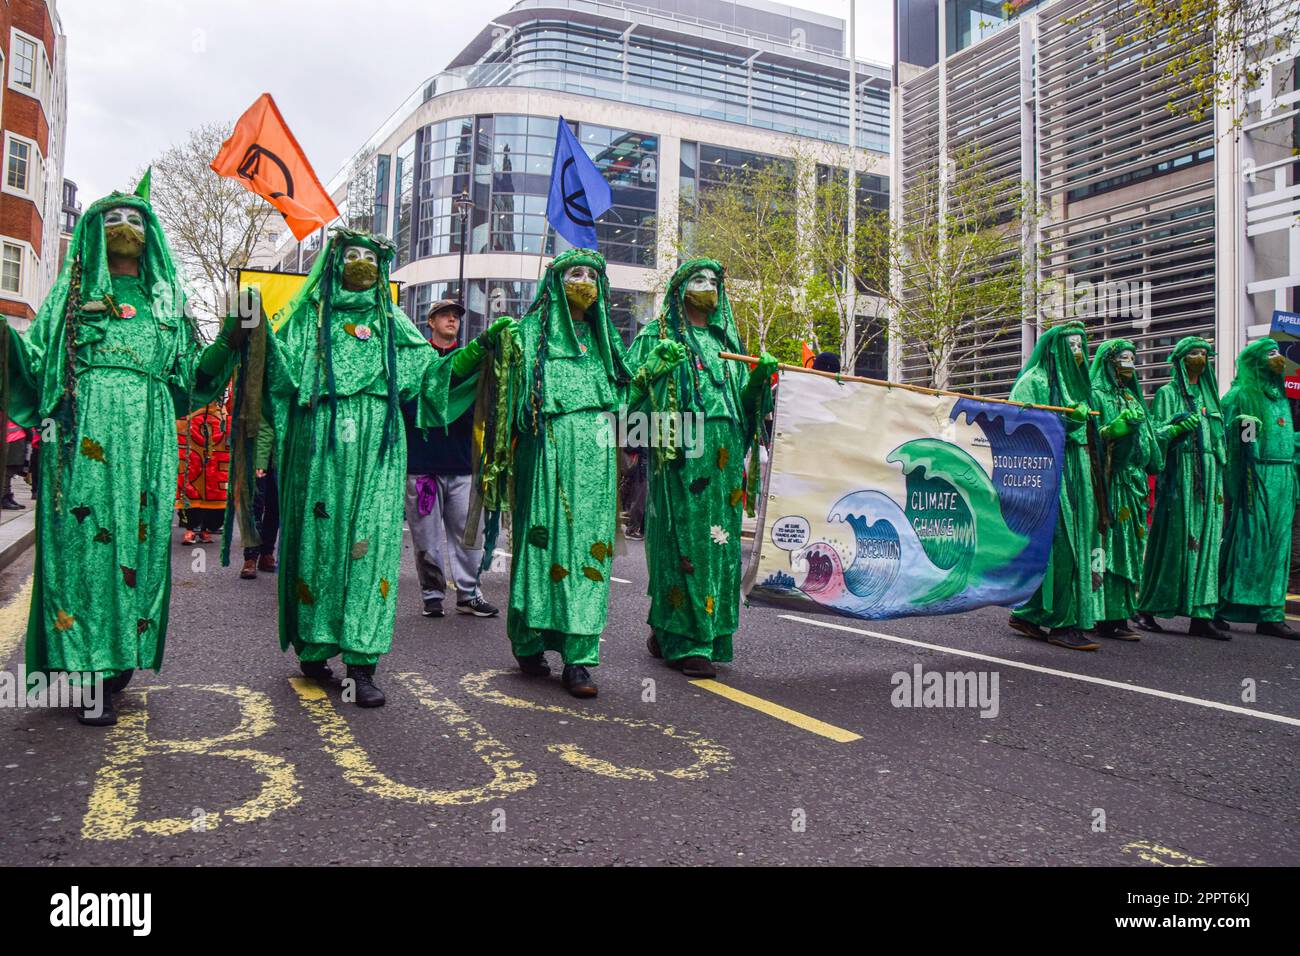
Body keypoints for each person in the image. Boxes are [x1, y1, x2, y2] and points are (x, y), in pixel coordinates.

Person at [0, 177, 242, 725]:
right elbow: (35, 363)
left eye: (135, 220)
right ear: (93, 231)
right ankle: (89, 668)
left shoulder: (165, 305)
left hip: (152, 440)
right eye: (112, 220)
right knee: (88, 541)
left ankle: (118, 665)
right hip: (84, 439)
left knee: (140, 542)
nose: (126, 229)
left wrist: (230, 339)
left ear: (150, 234)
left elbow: (191, 383)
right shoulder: (69, 296)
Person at [261, 228, 507, 707]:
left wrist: (477, 352)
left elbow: (430, 378)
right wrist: (251, 334)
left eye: (370, 257)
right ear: (333, 263)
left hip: (380, 447)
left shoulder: (393, 322)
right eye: (351, 254)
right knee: (323, 545)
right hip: (323, 444)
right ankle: (315, 645)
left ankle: (361, 662)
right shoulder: (307, 319)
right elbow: (280, 378)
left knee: (368, 546)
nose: (361, 262)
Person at [503, 248, 685, 698]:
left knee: (590, 553)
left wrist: (648, 377)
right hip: (546, 459)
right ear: (555, 282)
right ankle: (529, 640)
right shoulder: (529, 336)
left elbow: (623, 406)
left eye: (591, 275)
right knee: (543, 546)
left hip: (597, 465)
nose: (584, 280)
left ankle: (579, 659)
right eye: (575, 273)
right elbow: (512, 405)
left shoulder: (606, 342)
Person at [628, 258, 775, 678]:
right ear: (679, 289)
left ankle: (702, 632)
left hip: (727, 462)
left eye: (713, 281)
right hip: (682, 456)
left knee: (721, 546)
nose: (707, 286)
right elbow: (628, 404)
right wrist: (657, 369)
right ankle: (684, 639)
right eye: (698, 279)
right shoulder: (654, 337)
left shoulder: (725, 344)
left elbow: (746, 417)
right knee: (684, 544)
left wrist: (758, 381)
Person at [1007, 322, 1102, 651]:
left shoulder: (1079, 386)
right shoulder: (1033, 382)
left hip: (1078, 468)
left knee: (1077, 544)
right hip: (1050, 472)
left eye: (1081, 346)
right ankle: (1062, 623)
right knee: (1063, 548)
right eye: (1071, 346)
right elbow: (1019, 427)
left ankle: (1031, 614)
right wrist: (1063, 422)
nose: (1077, 352)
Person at [402, 298, 496, 619]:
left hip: (462, 464)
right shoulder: (415, 360)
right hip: (423, 465)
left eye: (456, 315)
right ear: (430, 321)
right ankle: (432, 594)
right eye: (445, 314)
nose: (452, 319)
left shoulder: (471, 361)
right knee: (425, 536)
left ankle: (469, 594)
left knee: (470, 535)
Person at [1134, 337, 1227, 639]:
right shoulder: (1167, 393)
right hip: (1180, 475)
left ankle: (1201, 614)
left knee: (1208, 546)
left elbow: (1219, 437)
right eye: (1194, 353)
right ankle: (1147, 608)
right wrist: (1173, 430)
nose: (1200, 357)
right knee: (1174, 545)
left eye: (1204, 353)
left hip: (1211, 477)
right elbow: (1155, 433)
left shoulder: (1211, 397)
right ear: (1180, 359)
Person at [1215, 338, 1300, 638]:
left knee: (1278, 547)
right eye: (1271, 354)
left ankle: (1270, 613)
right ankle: (1221, 604)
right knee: (1246, 543)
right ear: (1255, 361)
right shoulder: (1239, 394)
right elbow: (1226, 438)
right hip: (1255, 477)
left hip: (1282, 478)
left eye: (1279, 353)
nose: (1278, 359)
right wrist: (1237, 482)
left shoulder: (1279, 397)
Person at [1088, 339, 1161, 640]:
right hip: (1110, 483)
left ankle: (1120, 613)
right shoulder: (1096, 395)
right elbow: (1091, 439)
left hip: (1134, 483)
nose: (1129, 363)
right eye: (1123, 358)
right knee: (1109, 550)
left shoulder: (1132, 397)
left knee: (1130, 548)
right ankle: (1102, 614)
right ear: (1109, 361)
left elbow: (1151, 441)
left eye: (1133, 357)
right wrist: (1111, 432)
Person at [176, 398, 229, 544]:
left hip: (218, 422)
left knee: (215, 479)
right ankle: (191, 527)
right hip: (190, 417)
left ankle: (208, 527)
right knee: (190, 476)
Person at [238, 409, 278, 579]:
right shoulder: (257, 389)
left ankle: (267, 553)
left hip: (280, 457)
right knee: (254, 505)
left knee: (275, 506)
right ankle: (251, 557)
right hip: (256, 454)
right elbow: (263, 428)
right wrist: (260, 462)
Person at [3, 418, 28, 509]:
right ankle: (4, 497)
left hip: (15, 438)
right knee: (8, 471)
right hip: (11, 438)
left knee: (11, 470)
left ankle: (7, 495)